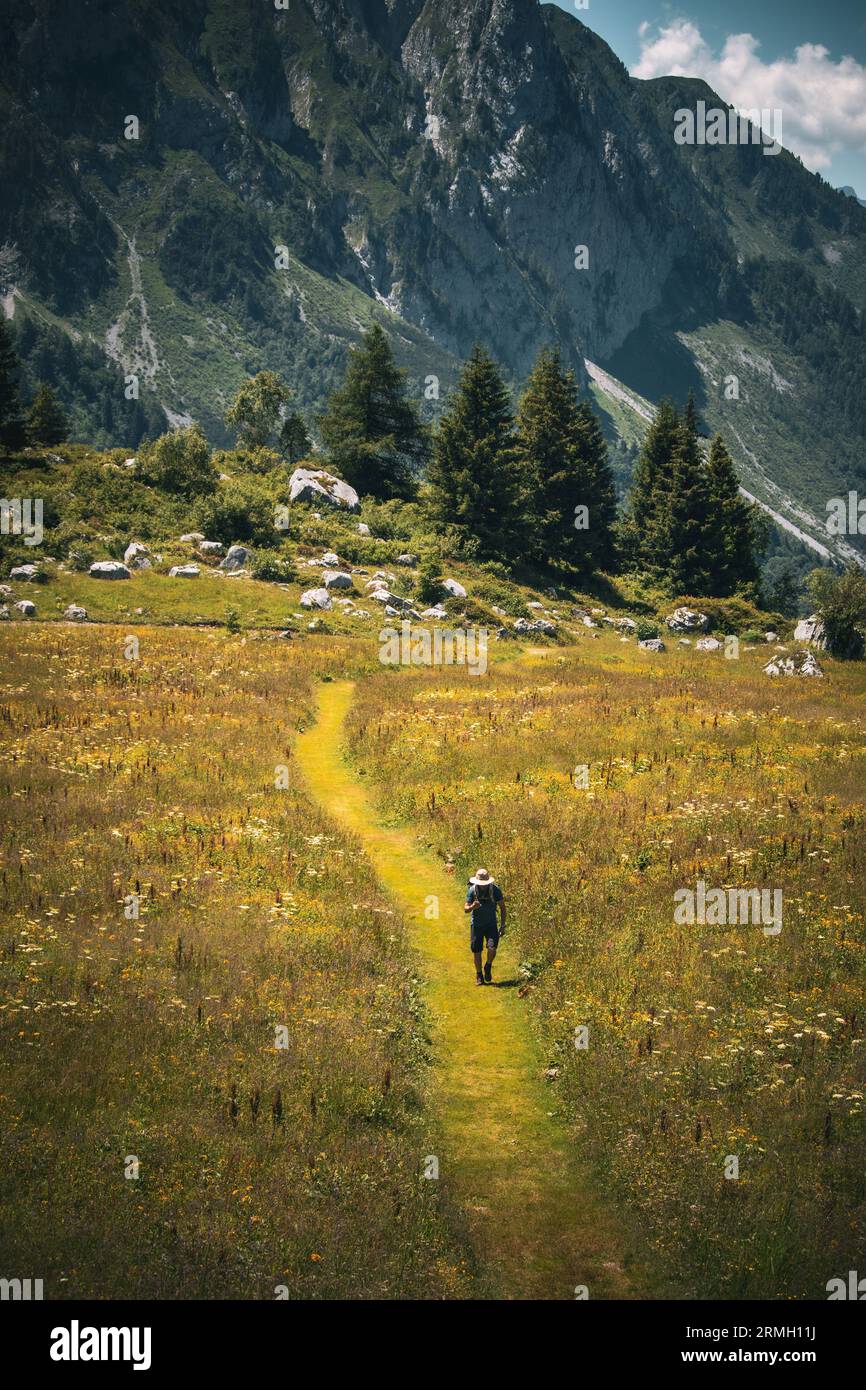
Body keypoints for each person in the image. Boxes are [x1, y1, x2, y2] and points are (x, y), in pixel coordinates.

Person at [464, 868, 506, 985]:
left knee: (492, 948)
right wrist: (472, 906)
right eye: (480, 884)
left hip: (491, 924)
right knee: (476, 951)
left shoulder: (495, 890)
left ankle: (488, 966)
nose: (482, 886)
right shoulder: (472, 891)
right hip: (476, 925)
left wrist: (502, 925)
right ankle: (479, 976)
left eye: (484, 884)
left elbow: (502, 907)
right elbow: (466, 909)